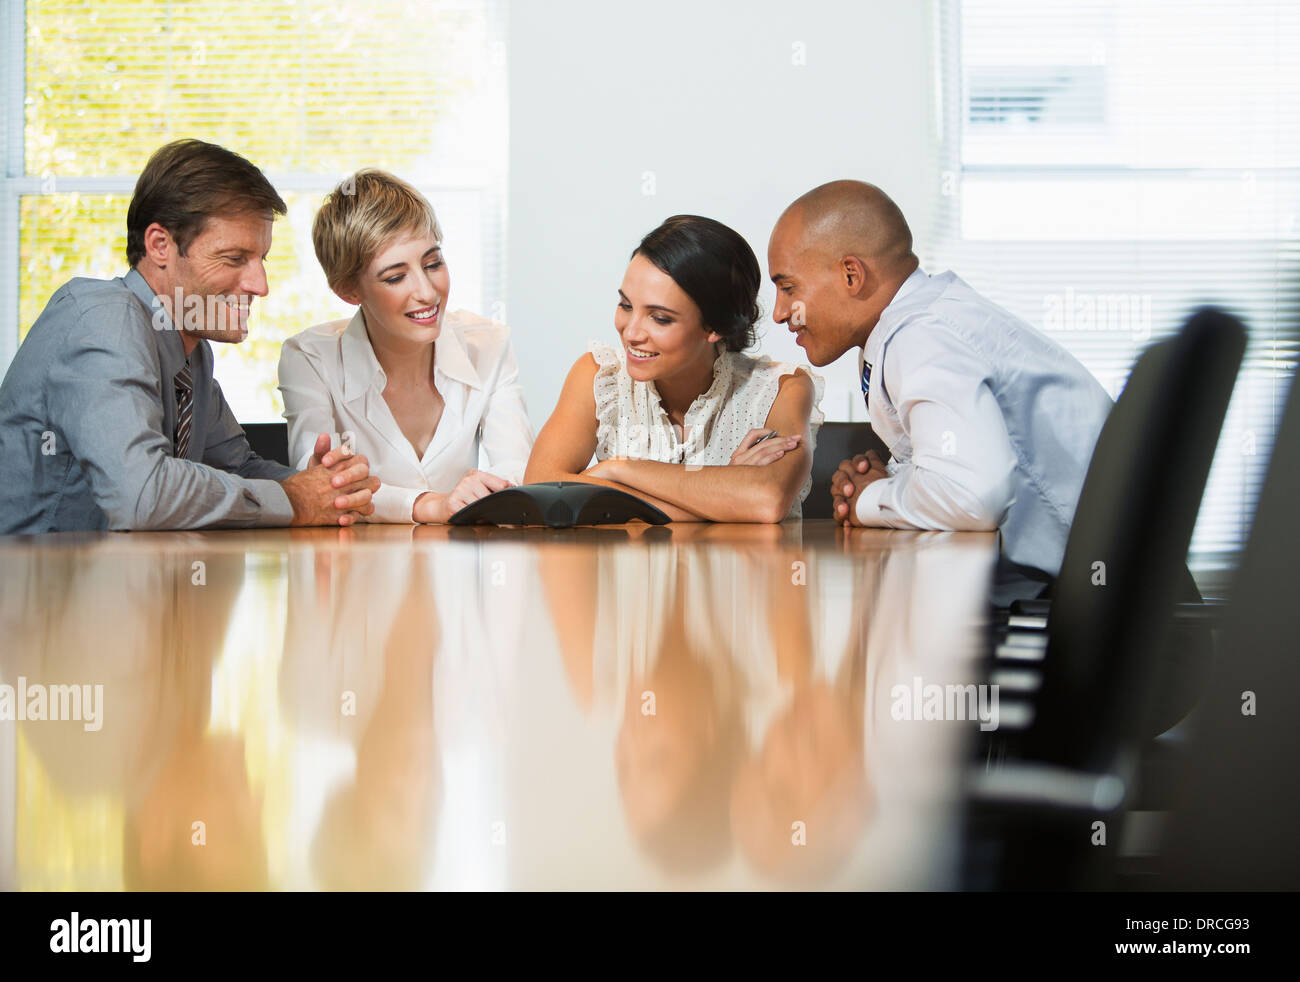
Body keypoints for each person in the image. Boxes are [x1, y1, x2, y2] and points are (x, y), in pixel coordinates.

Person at [0, 139, 378, 534]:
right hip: (39, 587)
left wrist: (327, 487)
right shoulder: (104, 319)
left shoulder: (190, 354)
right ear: (160, 245)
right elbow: (141, 496)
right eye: (234, 258)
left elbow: (237, 468)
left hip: (122, 585)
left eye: (260, 260)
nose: (260, 285)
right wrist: (295, 500)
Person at [768, 179, 1112, 579]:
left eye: (788, 287)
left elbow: (973, 495)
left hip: (1077, 598)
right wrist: (892, 478)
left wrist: (868, 498)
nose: (779, 313)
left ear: (851, 275)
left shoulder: (919, 335)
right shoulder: (922, 320)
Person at [526, 215, 824, 522]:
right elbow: (541, 490)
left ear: (715, 326)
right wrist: (721, 498)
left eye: (660, 318)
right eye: (626, 306)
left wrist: (620, 469)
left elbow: (765, 501)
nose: (631, 332)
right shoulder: (599, 376)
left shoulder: (783, 388)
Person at [278, 170, 533, 524]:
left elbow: (517, 467)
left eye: (433, 263)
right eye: (395, 277)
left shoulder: (488, 344)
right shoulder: (309, 358)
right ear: (348, 291)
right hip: (355, 567)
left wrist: (491, 488)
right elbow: (324, 486)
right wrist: (430, 504)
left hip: (457, 566)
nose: (427, 292)